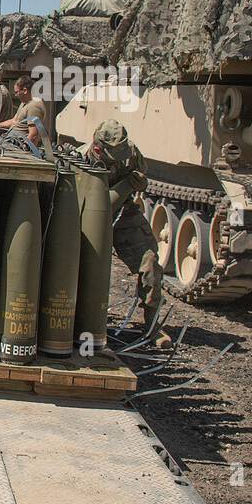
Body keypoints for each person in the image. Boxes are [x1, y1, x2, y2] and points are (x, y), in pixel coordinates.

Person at [83, 119, 170, 347]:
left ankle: (151, 325)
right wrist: (125, 186)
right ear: (98, 147)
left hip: (124, 214)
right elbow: (98, 203)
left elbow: (142, 176)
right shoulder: (83, 159)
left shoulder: (130, 152)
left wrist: (139, 183)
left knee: (150, 263)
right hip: (87, 216)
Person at [0, 74, 49, 145]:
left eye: (16, 92)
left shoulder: (34, 106)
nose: (15, 95)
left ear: (25, 90)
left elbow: (33, 134)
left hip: (18, 146)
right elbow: (14, 121)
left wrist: (24, 147)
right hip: (10, 141)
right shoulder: (24, 103)